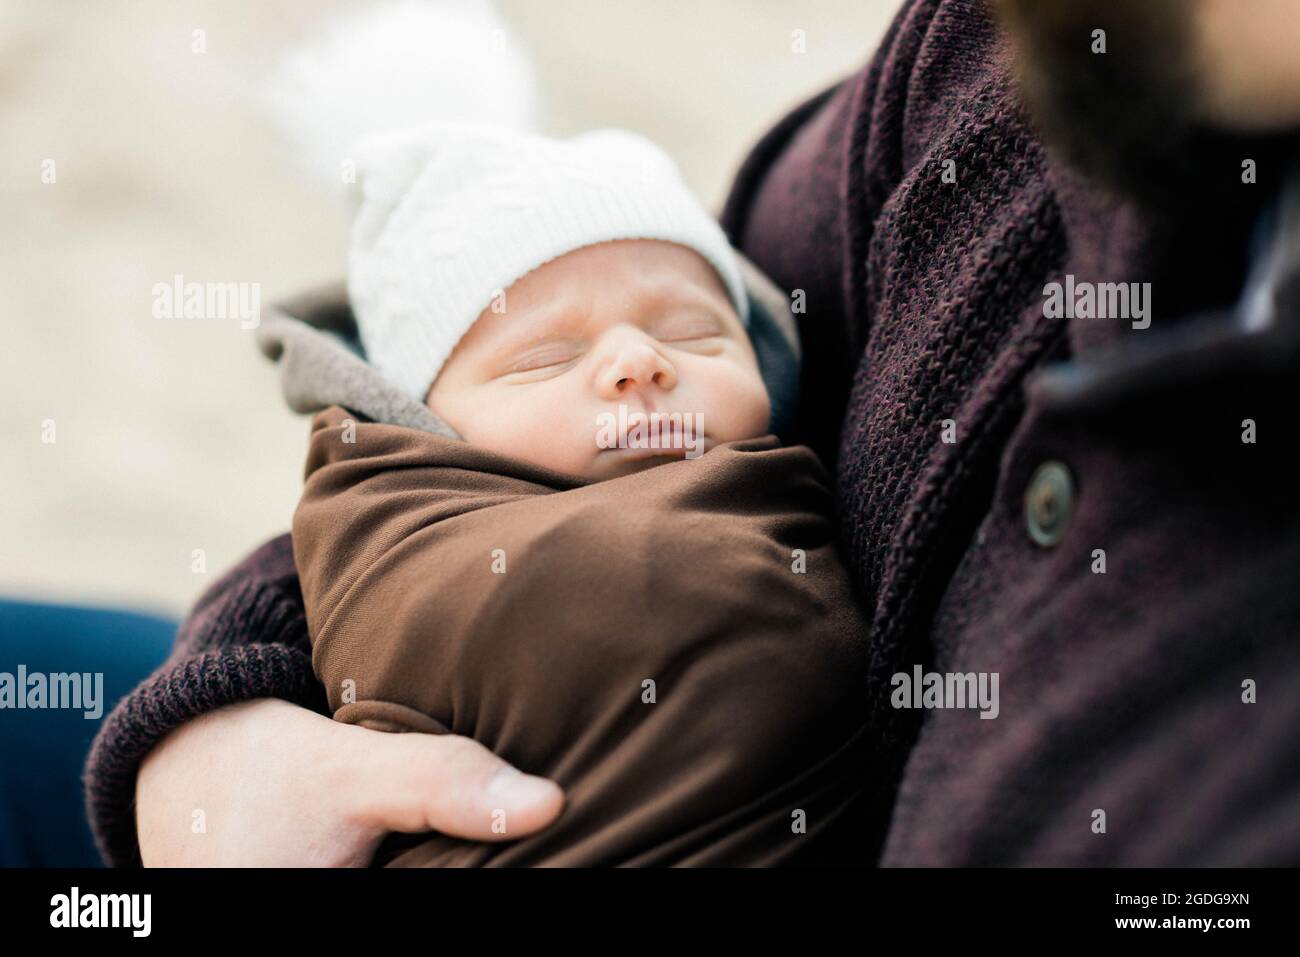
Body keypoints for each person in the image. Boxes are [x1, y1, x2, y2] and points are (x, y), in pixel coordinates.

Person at [86, 0, 1300, 866]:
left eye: (686, 343)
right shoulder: (1033, 49)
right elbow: (400, 447)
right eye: (553, 358)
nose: (638, 359)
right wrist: (222, 723)